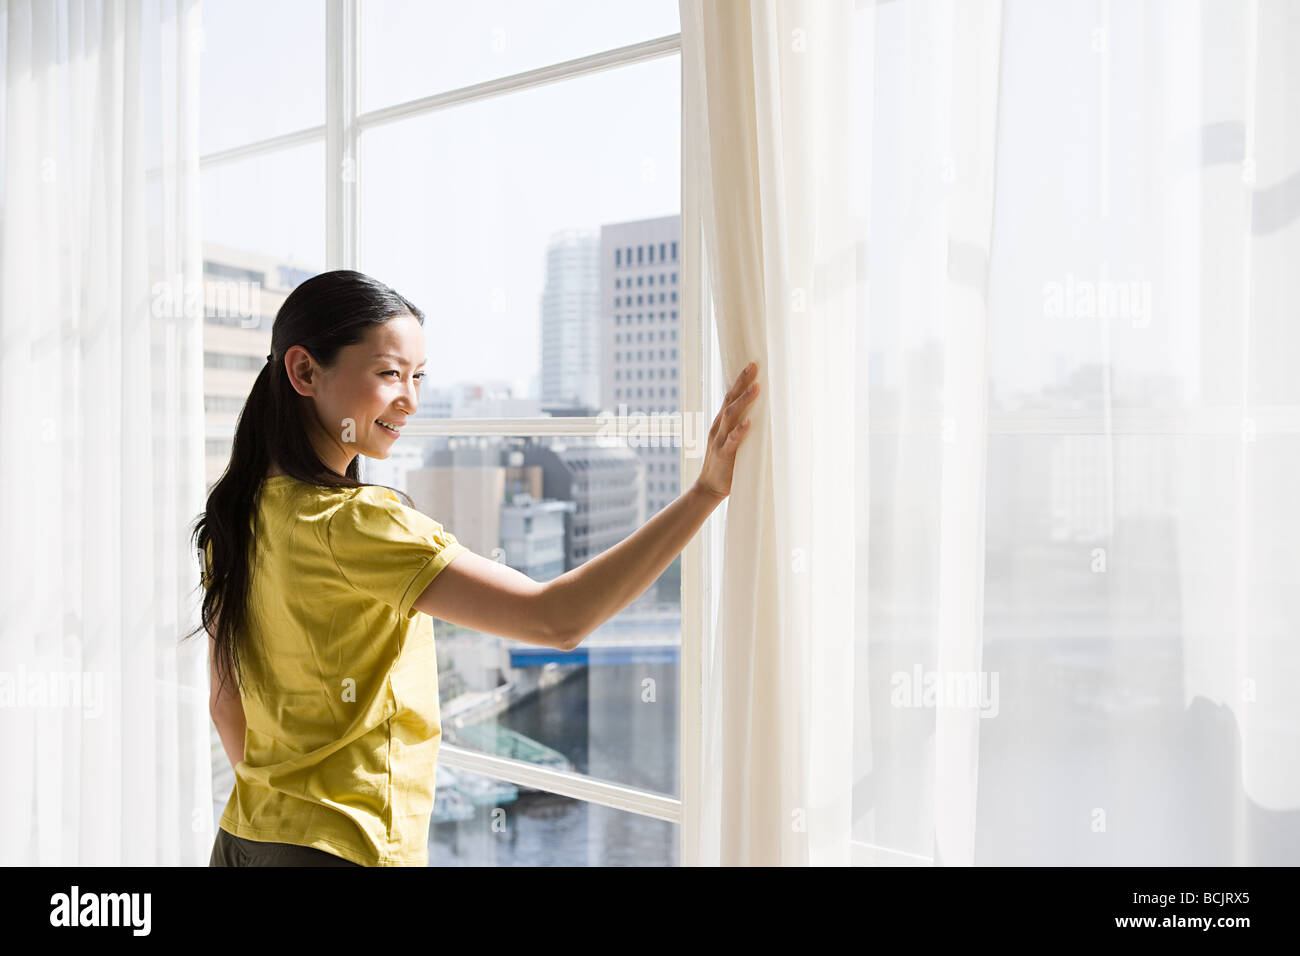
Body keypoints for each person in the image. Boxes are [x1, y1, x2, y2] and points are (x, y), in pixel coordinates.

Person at [187, 269, 761, 867]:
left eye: (418, 377)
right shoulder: (357, 524)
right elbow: (556, 620)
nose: (410, 399)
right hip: (344, 851)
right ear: (305, 371)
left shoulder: (239, 512)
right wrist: (704, 493)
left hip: (244, 840)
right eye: (389, 374)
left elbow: (225, 704)